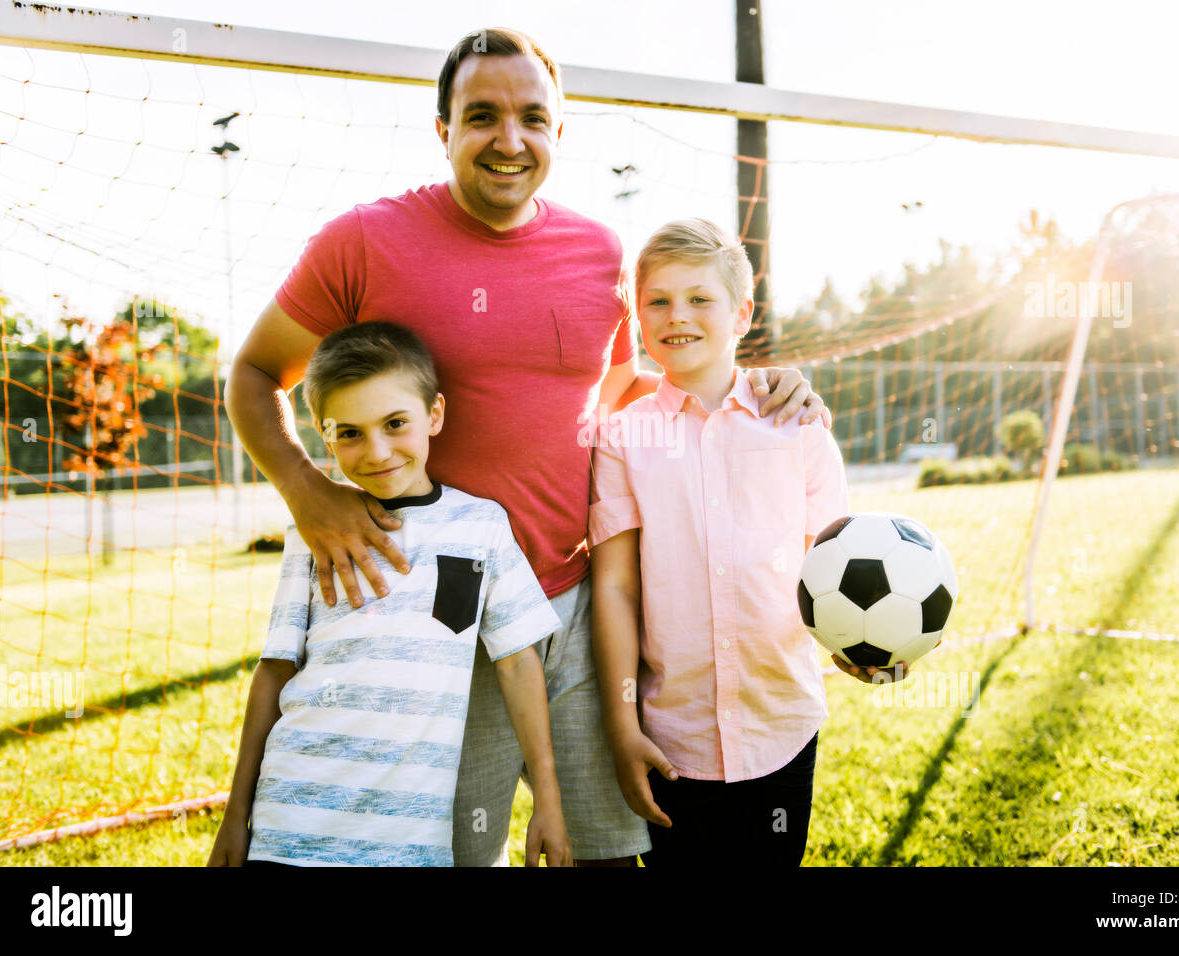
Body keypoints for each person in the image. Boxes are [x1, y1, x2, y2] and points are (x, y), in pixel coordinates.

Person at [224, 27, 829, 866]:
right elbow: (254, 372)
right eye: (482, 116)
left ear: (558, 131)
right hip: (443, 609)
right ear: (443, 129)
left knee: (609, 849)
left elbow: (630, 394)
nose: (509, 140)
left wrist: (754, 385)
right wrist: (308, 491)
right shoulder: (363, 241)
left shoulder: (599, 255)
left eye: (532, 118)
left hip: (576, 595)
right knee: (462, 852)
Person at [588, 219, 911, 867]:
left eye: (700, 298)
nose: (677, 315)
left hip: (781, 725)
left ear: (742, 313)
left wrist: (861, 647)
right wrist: (623, 727)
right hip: (672, 740)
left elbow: (833, 568)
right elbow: (616, 587)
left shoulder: (799, 428)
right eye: (658, 300)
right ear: (639, 317)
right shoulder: (622, 439)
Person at [208, 322, 571, 867]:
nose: (376, 451)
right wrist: (235, 817)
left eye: (395, 423)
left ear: (435, 415)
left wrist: (548, 797)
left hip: (410, 842)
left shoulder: (480, 526)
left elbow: (518, 664)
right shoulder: (315, 534)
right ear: (323, 436)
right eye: (350, 433)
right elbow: (275, 671)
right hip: (290, 825)